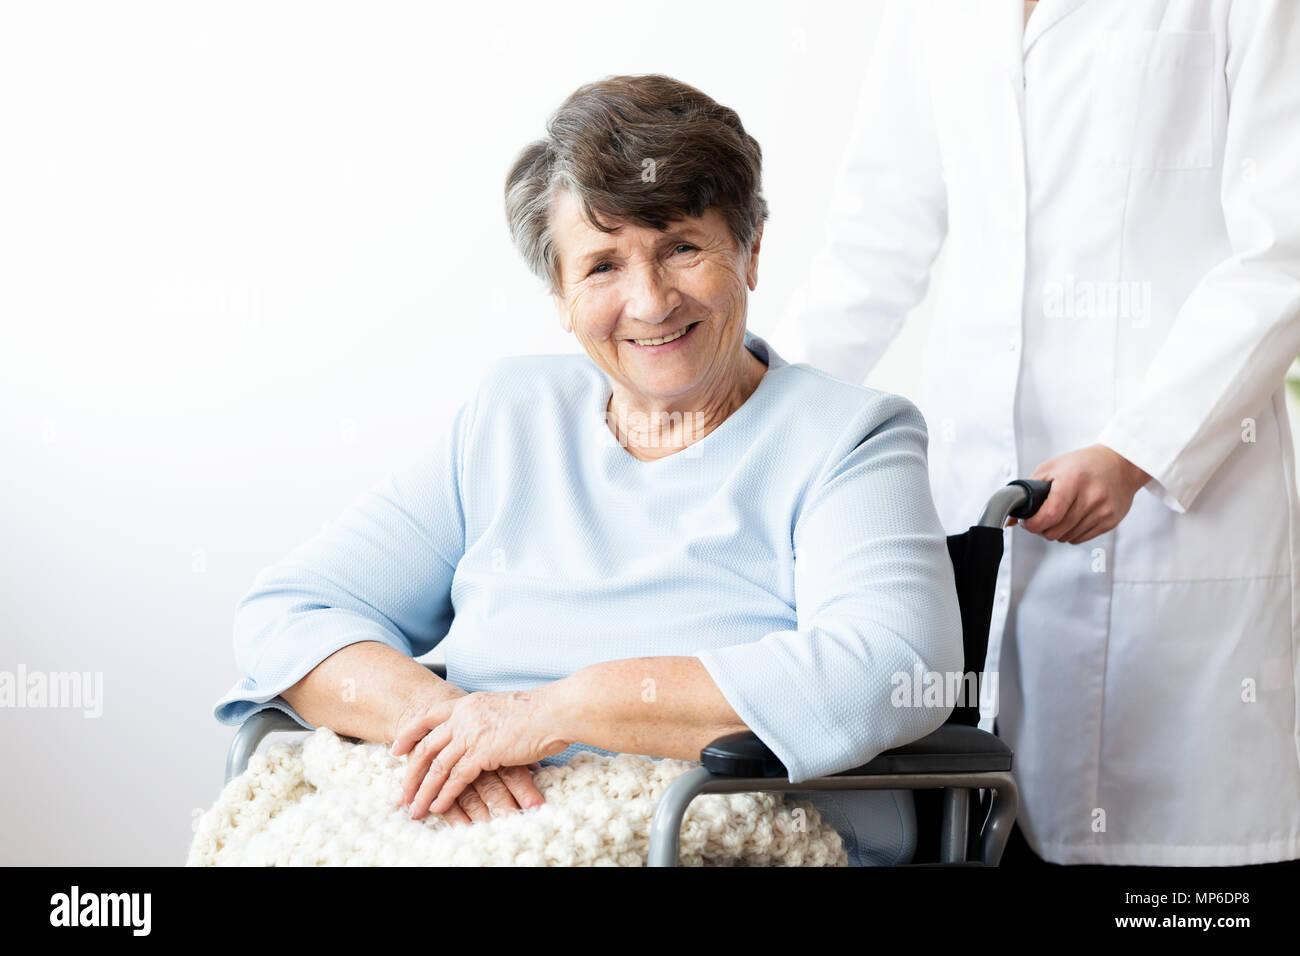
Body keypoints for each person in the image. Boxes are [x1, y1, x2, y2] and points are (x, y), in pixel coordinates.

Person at [213, 74, 965, 865]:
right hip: (476, 829)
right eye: (602, 266)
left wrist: (558, 711)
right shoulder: (508, 418)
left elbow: (887, 668)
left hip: (720, 825)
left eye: (681, 247)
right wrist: (448, 727)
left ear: (749, 250)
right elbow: (289, 612)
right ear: (561, 294)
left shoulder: (851, 439)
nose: (648, 302)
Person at [772, 0, 1300, 865]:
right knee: (980, 824)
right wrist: (754, 413)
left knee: (1178, 881)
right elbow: (876, 240)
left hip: (1179, 509)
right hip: (984, 499)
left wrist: (1138, 448)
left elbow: (1283, 250)